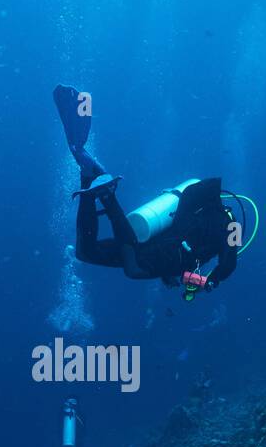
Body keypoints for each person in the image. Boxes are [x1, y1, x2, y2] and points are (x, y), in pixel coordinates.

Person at [53, 84, 248, 300]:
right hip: (169, 248)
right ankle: (107, 195)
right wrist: (212, 281)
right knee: (134, 268)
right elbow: (229, 264)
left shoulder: (204, 208)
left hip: (159, 240)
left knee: (86, 252)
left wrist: (170, 273)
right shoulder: (234, 226)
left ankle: (87, 175)